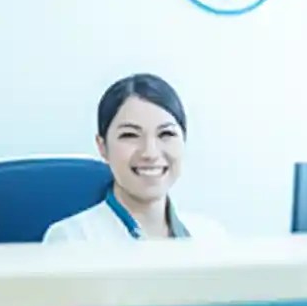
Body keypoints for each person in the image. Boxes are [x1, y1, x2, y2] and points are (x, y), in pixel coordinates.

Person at [42, 73, 226, 242]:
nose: (150, 153)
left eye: (166, 134)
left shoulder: (211, 237)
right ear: (102, 147)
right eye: (130, 135)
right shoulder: (71, 239)